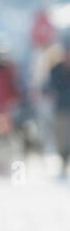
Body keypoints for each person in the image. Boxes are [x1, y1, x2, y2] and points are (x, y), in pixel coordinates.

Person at [45, 46, 70, 177]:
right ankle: (63, 162)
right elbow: (49, 86)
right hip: (61, 109)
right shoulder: (56, 70)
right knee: (61, 139)